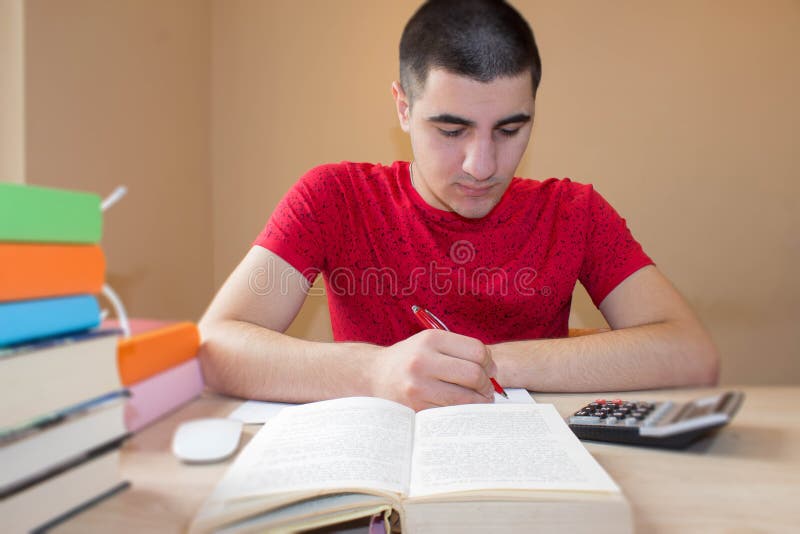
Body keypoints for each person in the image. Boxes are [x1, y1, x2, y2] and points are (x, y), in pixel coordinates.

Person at [198, 0, 719, 411]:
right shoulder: (334, 198)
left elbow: (691, 354)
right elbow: (216, 344)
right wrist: (376, 372)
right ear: (403, 108)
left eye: (511, 129)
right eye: (451, 129)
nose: (482, 165)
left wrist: (490, 362)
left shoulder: (573, 211)